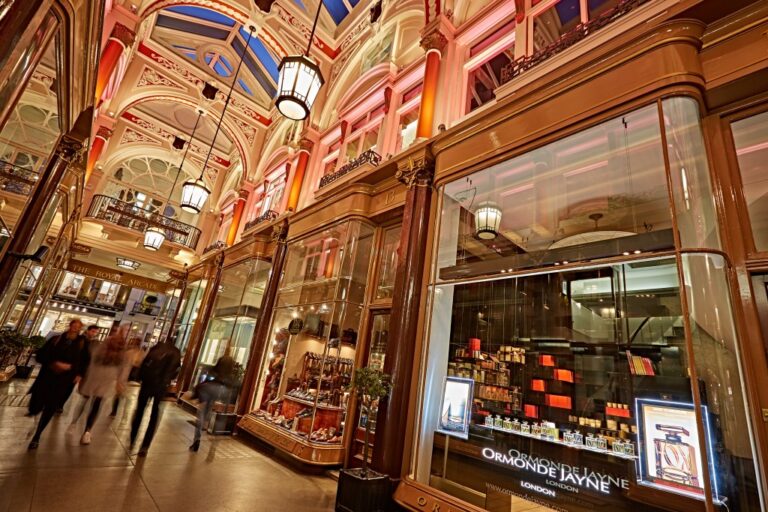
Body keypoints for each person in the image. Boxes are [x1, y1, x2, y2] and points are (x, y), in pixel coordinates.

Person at [27, 319, 87, 450]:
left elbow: (83, 361)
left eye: (78, 327)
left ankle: (37, 436)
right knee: (38, 404)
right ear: (69, 326)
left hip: (64, 380)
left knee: (51, 407)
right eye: (73, 326)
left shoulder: (82, 344)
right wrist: (54, 363)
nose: (75, 329)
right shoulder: (56, 339)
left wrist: (79, 374)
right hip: (47, 376)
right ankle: (36, 415)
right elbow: (41, 355)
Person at [75, 325, 127, 445]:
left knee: (87, 401)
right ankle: (87, 431)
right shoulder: (119, 348)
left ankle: (78, 425)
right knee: (96, 404)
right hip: (105, 378)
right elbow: (123, 366)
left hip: (97, 377)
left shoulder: (105, 344)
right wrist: (120, 381)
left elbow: (94, 360)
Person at [130, 340, 181, 456]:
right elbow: (176, 371)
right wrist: (167, 382)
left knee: (140, 410)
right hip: (161, 386)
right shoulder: (175, 352)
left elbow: (144, 364)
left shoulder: (156, 348)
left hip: (147, 383)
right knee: (154, 414)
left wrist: (139, 377)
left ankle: (133, 437)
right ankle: (145, 445)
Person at [190, 347, 236, 452]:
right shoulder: (231, 363)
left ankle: (197, 439)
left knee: (202, 412)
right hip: (223, 389)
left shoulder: (222, 359)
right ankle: (214, 444)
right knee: (221, 415)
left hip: (212, 386)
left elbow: (214, 370)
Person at [59, 324, 99, 414]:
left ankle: (60, 405)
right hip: (72, 365)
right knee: (64, 385)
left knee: (70, 387)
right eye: (93, 331)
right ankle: (57, 403)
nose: (94, 334)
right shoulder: (80, 339)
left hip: (81, 368)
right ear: (88, 330)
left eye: (96, 332)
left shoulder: (95, 343)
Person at [112, 336, 141, 417]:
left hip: (129, 374)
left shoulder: (136, 352)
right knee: (120, 393)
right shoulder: (133, 352)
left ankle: (115, 410)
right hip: (127, 374)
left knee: (121, 393)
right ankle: (115, 410)